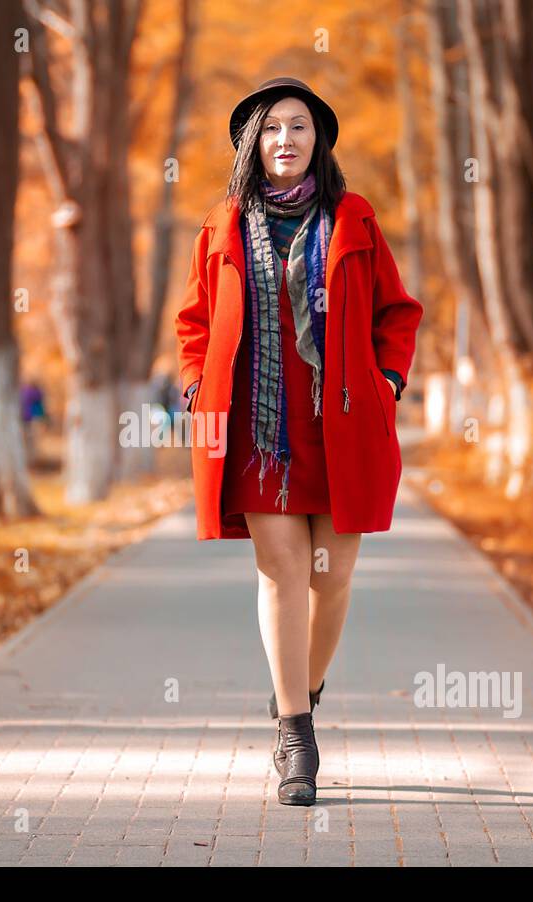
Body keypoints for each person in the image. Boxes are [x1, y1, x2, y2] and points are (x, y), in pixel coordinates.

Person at [173, 77, 423, 807]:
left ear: (319, 141)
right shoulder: (221, 225)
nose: (286, 139)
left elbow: (397, 312)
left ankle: (301, 687)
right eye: (273, 127)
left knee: (331, 576)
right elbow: (193, 323)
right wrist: (196, 387)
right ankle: (296, 735)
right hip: (258, 432)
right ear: (254, 142)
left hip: (341, 425)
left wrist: (387, 380)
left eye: (300, 127)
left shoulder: (354, 220)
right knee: (283, 571)